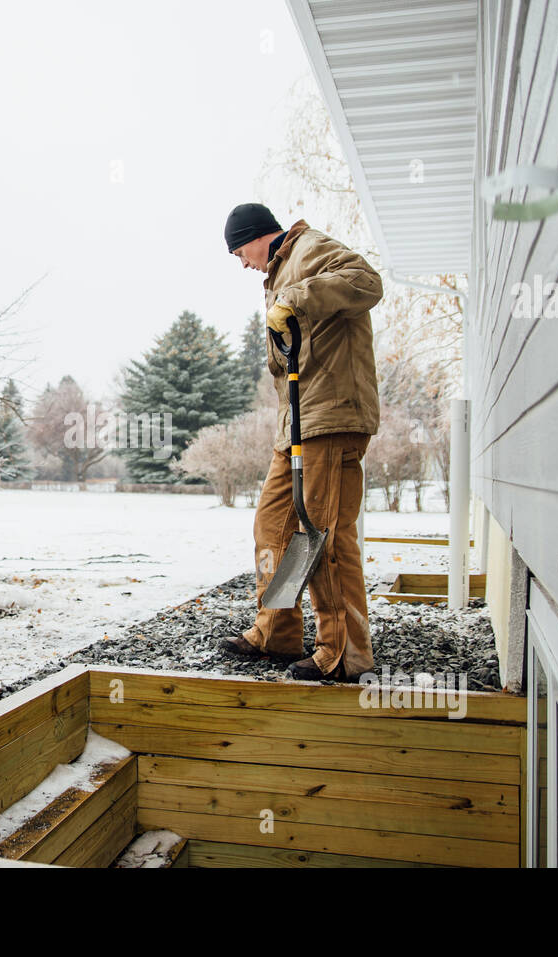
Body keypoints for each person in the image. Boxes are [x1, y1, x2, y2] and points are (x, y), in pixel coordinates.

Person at [219, 202, 382, 681]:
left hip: (330, 417)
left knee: (323, 534)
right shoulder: (281, 271)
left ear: (256, 237)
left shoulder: (309, 249)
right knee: (273, 526)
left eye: (239, 253)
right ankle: (277, 631)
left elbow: (367, 281)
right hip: (296, 424)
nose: (242, 264)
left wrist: (295, 298)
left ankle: (345, 653)